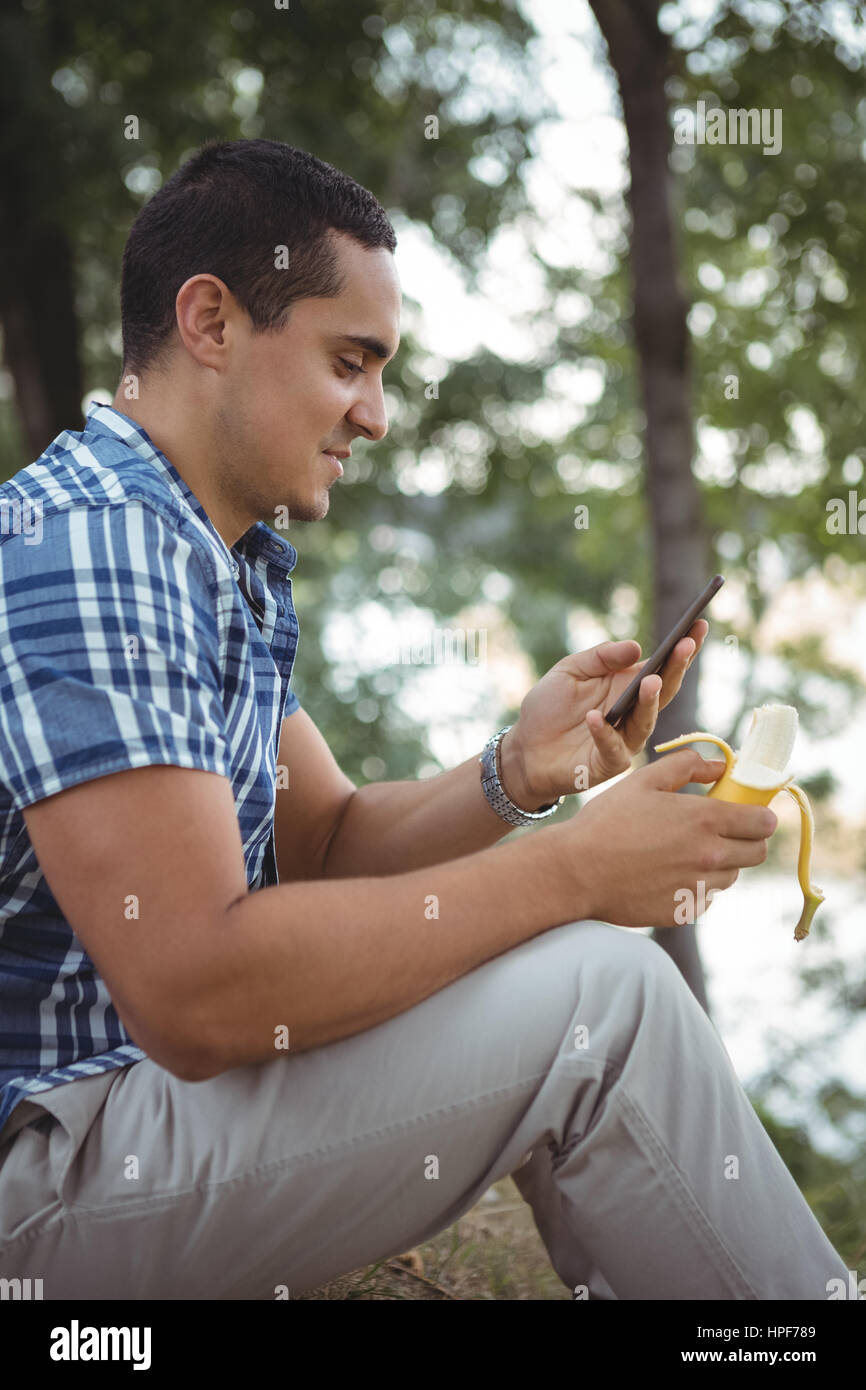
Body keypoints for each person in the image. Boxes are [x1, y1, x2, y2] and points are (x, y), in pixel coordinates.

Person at [0, 138, 847, 1300]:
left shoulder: (206, 555)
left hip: (126, 1122)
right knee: (607, 997)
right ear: (210, 323)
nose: (376, 414)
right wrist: (578, 871)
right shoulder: (96, 544)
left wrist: (516, 770)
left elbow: (330, 841)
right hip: (44, 1185)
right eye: (351, 362)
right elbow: (196, 989)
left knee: (597, 982)